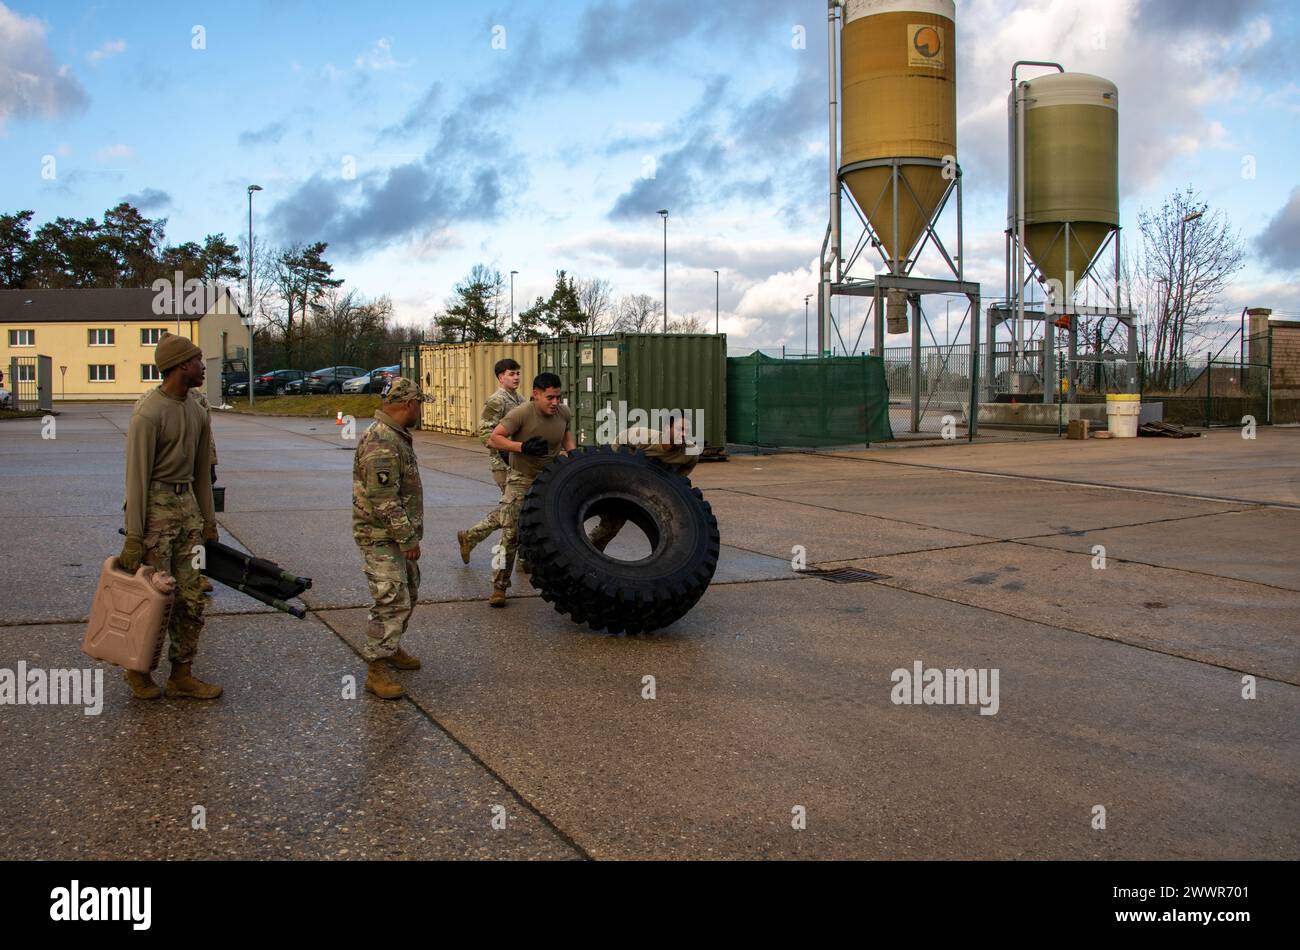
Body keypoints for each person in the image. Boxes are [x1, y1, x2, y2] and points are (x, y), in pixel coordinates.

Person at [118, 332, 220, 700]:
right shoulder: (149, 412)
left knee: (191, 597)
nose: (203, 367)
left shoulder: (197, 408)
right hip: (156, 513)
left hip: (187, 509)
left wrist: (208, 522)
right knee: (153, 598)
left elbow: (201, 474)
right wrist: (134, 536)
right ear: (181, 366)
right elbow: (136, 478)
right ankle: (139, 671)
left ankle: (182, 673)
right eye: (197, 361)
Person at [352, 377, 433, 700]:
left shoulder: (396, 436)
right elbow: (383, 498)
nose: (420, 410)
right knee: (391, 598)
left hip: (396, 535)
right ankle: (377, 667)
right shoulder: (382, 441)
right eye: (419, 404)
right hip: (381, 536)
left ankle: (392, 644)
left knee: (409, 591)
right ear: (408, 404)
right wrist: (406, 538)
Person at [484, 372, 575, 607]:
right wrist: (522, 446)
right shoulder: (522, 413)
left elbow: (566, 434)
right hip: (521, 479)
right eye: (550, 398)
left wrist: (573, 457)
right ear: (536, 395)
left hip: (549, 479)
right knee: (509, 535)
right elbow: (494, 439)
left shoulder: (563, 412)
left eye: (558, 397)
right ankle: (498, 586)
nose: (555, 402)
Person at [589, 415, 699, 553]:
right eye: (679, 429)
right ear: (667, 429)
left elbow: (688, 466)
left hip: (653, 487)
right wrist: (616, 470)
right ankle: (590, 551)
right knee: (611, 524)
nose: (683, 435)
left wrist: (672, 483)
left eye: (687, 431)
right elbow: (619, 440)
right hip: (626, 478)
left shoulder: (690, 452)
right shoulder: (644, 437)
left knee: (670, 524)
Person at [456, 358, 523, 563]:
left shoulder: (519, 400)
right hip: (503, 464)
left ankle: (472, 537)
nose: (516, 377)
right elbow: (485, 433)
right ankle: (475, 538)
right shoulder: (497, 400)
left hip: (519, 462)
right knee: (513, 510)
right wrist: (505, 452)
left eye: (518, 373)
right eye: (511, 374)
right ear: (500, 377)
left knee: (517, 509)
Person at [188, 387, 219, 596]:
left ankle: (198, 574)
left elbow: (208, 435)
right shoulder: (156, 403)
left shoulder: (198, 398)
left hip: (199, 468)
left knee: (200, 530)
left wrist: (211, 464)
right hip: (177, 473)